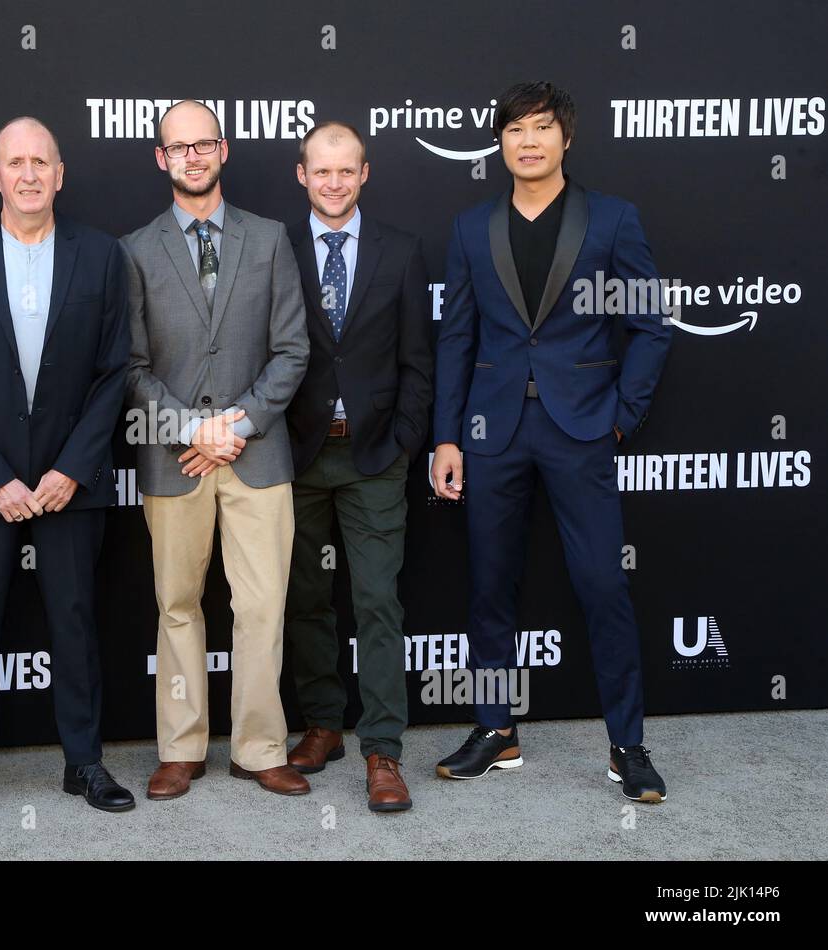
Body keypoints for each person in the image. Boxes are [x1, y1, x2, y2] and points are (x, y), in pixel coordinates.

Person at [431, 81, 672, 802]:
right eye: (514, 129)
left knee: (602, 584)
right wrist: (447, 437)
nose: (527, 141)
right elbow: (457, 338)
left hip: (582, 428)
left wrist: (621, 414)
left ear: (567, 139)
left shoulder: (612, 220)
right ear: (498, 142)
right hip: (491, 431)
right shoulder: (473, 228)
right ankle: (496, 729)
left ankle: (627, 744)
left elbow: (651, 326)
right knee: (489, 588)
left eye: (541, 128)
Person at [0, 117, 134, 822]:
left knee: (74, 623)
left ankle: (85, 763)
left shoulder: (101, 256)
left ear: (60, 173)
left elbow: (114, 374)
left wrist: (72, 468)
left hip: (68, 483)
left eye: (40, 162)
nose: (28, 175)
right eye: (14, 163)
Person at [122, 100, 311, 799]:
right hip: (173, 460)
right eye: (180, 147)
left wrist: (235, 426)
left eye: (204, 144)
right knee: (178, 604)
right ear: (161, 158)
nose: (193, 157)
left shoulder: (268, 239)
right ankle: (182, 745)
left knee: (262, 607)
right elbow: (132, 367)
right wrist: (192, 429)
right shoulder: (135, 250)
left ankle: (261, 748)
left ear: (223, 151)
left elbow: (293, 350)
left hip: (256, 456)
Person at [283, 121, 433, 812]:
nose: (335, 182)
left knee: (376, 599)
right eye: (323, 171)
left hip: (374, 456)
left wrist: (404, 439)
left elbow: (417, 360)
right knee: (306, 599)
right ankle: (321, 725)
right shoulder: (276, 249)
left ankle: (382, 749)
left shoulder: (401, 251)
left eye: (347, 171)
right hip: (298, 454)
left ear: (365, 173)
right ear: (302, 174)